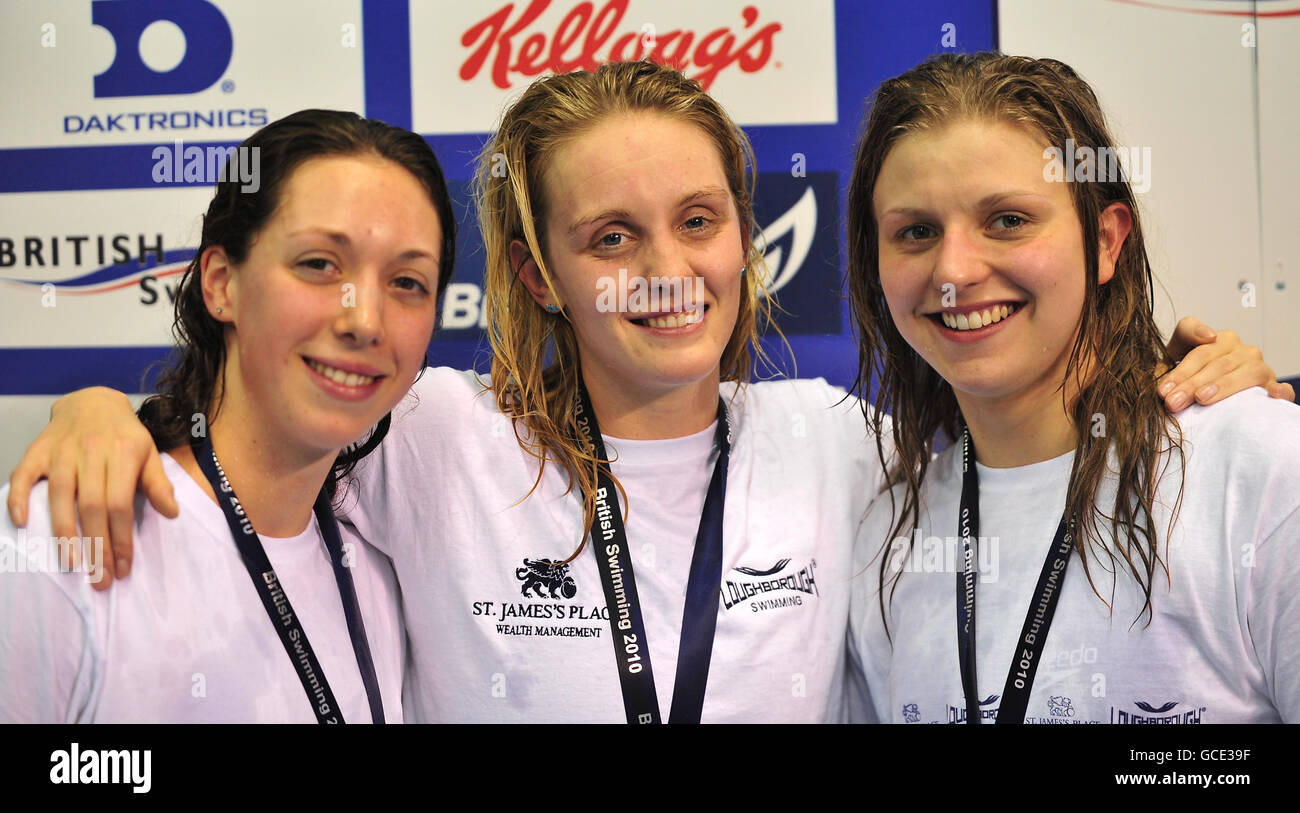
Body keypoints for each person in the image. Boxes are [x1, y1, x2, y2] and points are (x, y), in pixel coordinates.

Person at [5, 62, 1289, 724]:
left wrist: (1220, 378)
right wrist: (109, 412)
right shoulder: (436, 436)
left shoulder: (846, 448)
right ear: (539, 272)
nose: (666, 272)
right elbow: (277, 421)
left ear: (749, 236)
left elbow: (1040, 431)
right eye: (610, 238)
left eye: (696, 221)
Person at [845, 53, 1300, 725]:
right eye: (916, 231)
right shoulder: (887, 535)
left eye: (1007, 220)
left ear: (1106, 240)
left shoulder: (1260, 473)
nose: (954, 270)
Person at [0, 109, 457, 722]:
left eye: (407, 281)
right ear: (221, 283)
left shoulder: (376, 566)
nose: (365, 321)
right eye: (319, 264)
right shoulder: (59, 545)